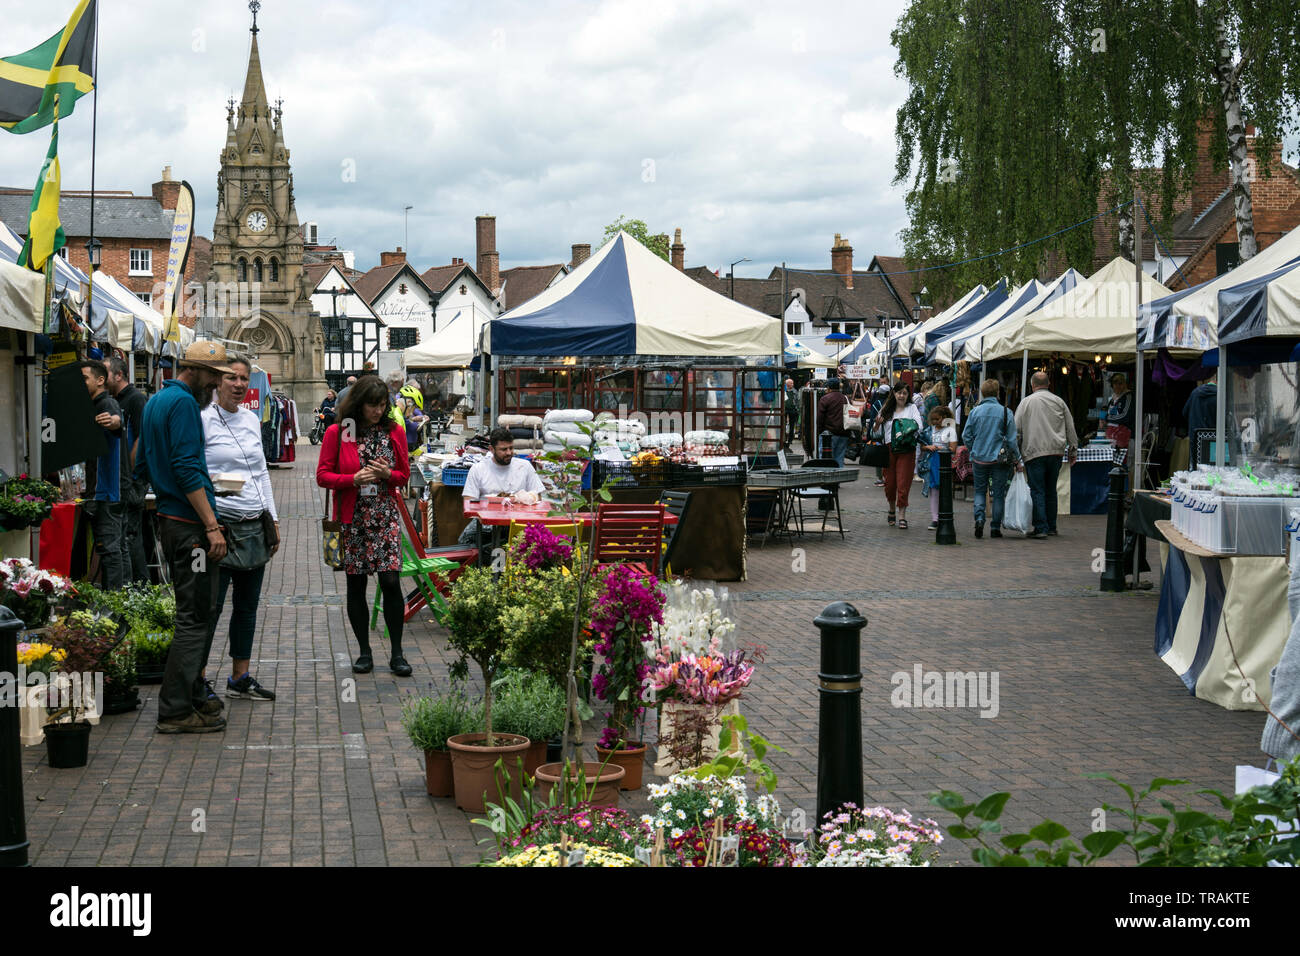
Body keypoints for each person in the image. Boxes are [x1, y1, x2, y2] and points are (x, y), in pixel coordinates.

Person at [135, 341, 234, 734]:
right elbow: (187, 465)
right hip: (190, 526)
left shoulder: (156, 401)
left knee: (193, 611)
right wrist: (210, 523)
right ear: (194, 371)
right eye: (214, 376)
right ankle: (175, 709)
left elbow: (139, 461)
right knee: (195, 616)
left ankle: (191, 695)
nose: (216, 385)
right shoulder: (184, 406)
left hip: (171, 519)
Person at [316, 376, 413, 676]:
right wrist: (352, 480)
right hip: (352, 518)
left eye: (383, 405)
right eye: (373, 405)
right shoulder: (339, 431)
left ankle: (397, 652)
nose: (378, 411)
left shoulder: (393, 431)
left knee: (391, 582)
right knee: (356, 585)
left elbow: (404, 475)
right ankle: (364, 652)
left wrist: (388, 474)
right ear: (359, 403)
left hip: (383, 516)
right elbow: (323, 475)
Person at [202, 356, 280, 701]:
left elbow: (261, 472)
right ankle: (199, 678)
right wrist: (225, 486)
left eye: (243, 378)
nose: (238, 384)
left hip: (253, 524)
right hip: (220, 526)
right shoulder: (202, 419)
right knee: (211, 607)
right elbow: (195, 473)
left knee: (247, 607)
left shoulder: (251, 419)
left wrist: (272, 518)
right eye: (231, 377)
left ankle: (240, 676)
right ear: (218, 381)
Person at [458, 427, 547, 559]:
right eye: (503, 449)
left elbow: (538, 495)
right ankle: (487, 572)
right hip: (487, 523)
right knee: (465, 542)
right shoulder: (478, 469)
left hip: (519, 521)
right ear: (491, 449)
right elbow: (468, 501)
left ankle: (503, 571)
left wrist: (519, 498)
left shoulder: (524, 466)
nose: (509, 452)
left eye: (511, 448)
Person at [1015, 371, 1079, 539]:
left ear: (1032, 385)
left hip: (1034, 451)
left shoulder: (1026, 402)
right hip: (1056, 451)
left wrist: (1016, 453)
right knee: (1051, 489)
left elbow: (1017, 430)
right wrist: (1073, 449)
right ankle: (1051, 526)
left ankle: (1041, 527)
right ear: (1049, 384)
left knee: (1037, 490)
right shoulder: (1059, 401)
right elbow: (1070, 426)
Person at [82, 361, 127, 589]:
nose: (81, 384)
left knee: (110, 549)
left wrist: (113, 422)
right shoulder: (91, 405)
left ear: (100, 380)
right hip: (104, 490)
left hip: (108, 491)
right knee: (114, 548)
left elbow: (116, 421)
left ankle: (114, 606)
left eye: (85, 378)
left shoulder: (106, 403)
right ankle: (119, 603)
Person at [105, 357, 149, 582]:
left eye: (106, 373)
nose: (102, 379)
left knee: (130, 535)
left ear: (119, 375)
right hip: (123, 478)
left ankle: (140, 587)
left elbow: (141, 438)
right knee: (125, 535)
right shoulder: (116, 400)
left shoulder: (135, 399)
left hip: (132, 479)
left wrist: (130, 473)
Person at [962, 378, 1022, 539]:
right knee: (998, 493)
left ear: (982, 393)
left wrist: (972, 448)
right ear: (997, 392)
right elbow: (1011, 440)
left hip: (979, 457)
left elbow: (965, 435)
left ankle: (980, 518)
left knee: (980, 491)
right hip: (999, 459)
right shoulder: (1005, 412)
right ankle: (995, 527)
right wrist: (1018, 459)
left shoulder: (975, 412)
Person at [874, 382, 924, 529]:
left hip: (906, 449)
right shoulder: (886, 409)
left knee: (903, 483)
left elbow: (919, 427)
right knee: (890, 484)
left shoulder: (912, 408)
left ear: (908, 395)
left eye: (904, 393)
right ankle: (891, 509)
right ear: (894, 394)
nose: (901, 395)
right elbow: (876, 433)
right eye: (899, 392)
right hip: (889, 449)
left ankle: (902, 514)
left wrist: (904, 428)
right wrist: (877, 424)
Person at [923, 405, 958, 530]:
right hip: (932, 462)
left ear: (944, 418)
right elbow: (922, 444)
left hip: (944, 462)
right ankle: (935, 518)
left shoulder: (950, 431)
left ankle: (943, 516)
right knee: (934, 490)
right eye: (932, 420)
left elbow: (953, 449)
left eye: (937, 419)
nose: (934, 422)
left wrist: (940, 448)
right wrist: (928, 447)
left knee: (944, 490)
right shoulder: (929, 430)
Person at [817, 379, 850, 465]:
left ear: (828, 388)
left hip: (829, 434)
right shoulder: (845, 398)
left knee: (826, 459)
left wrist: (820, 431)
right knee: (839, 458)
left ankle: (827, 477)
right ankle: (838, 477)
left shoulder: (825, 398)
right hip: (844, 433)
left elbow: (820, 417)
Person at [1105, 373, 1135, 448]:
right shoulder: (1113, 398)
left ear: (1125, 384)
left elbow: (1126, 416)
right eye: (1115, 384)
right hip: (1112, 436)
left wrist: (1108, 418)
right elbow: (1108, 412)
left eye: (1120, 383)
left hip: (1124, 436)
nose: (1118, 386)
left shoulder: (1128, 396)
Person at [783, 378, 799, 452]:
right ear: (787, 384)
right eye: (791, 383)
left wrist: (797, 409)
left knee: (792, 425)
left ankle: (790, 439)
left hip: (792, 410)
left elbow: (797, 401)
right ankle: (783, 438)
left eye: (792, 383)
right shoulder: (783, 391)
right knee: (783, 424)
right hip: (784, 409)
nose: (792, 384)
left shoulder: (795, 391)